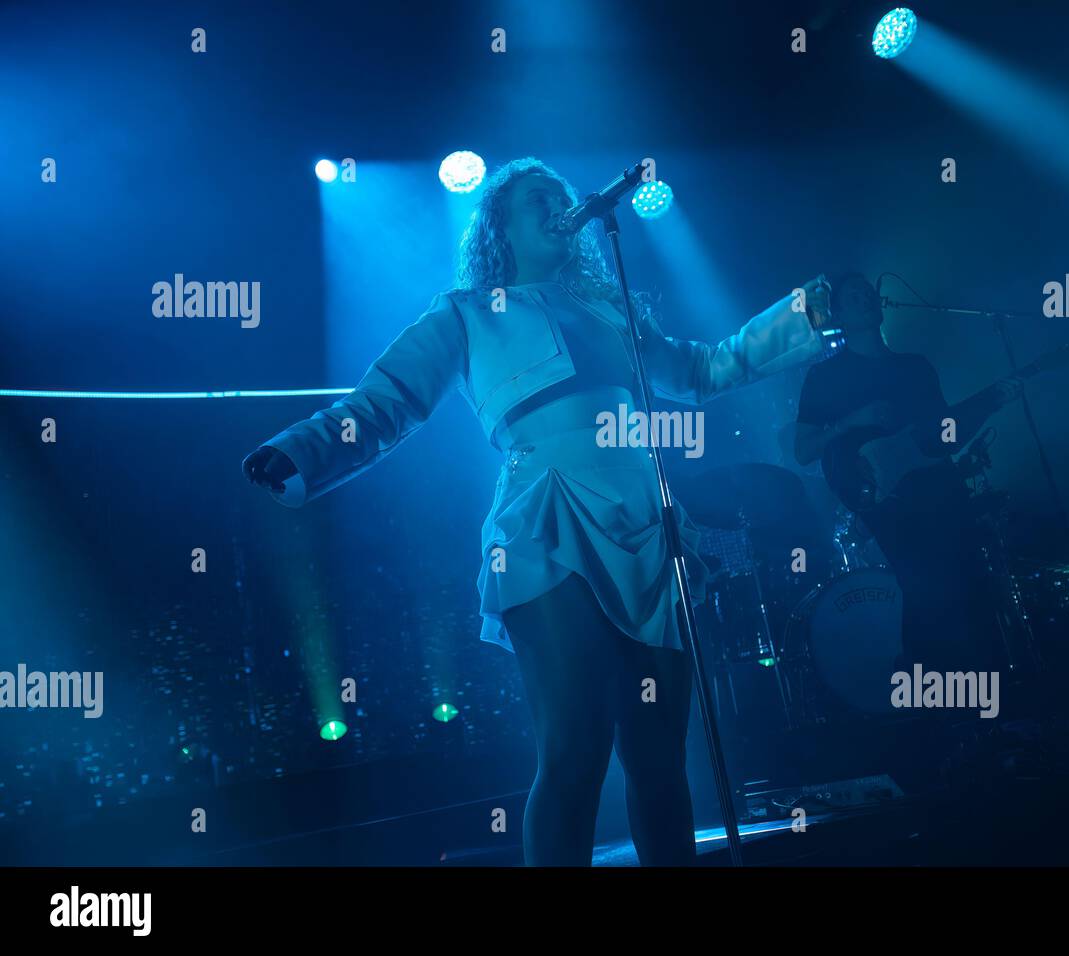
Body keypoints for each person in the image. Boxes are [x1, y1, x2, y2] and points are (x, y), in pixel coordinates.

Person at [242, 157, 836, 866]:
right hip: (546, 518)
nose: (558, 205)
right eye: (536, 200)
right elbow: (386, 400)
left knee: (658, 758)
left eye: (560, 195)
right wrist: (301, 451)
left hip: (645, 522)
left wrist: (799, 314)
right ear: (499, 226)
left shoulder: (612, 312)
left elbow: (706, 368)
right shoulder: (463, 313)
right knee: (575, 744)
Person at [792, 271, 1021, 675]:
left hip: (941, 491)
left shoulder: (915, 366)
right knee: (925, 591)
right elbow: (803, 450)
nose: (866, 297)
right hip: (889, 503)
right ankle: (934, 704)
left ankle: (993, 703)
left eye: (868, 292)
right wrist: (849, 422)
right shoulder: (825, 376)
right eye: (853, 296)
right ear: (837, 315)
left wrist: (991, 403)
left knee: (971, 586)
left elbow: (942, 436)